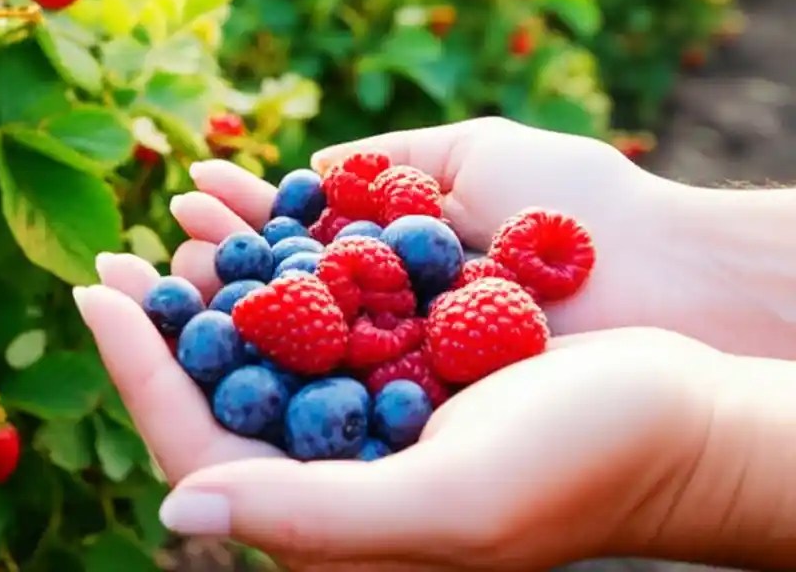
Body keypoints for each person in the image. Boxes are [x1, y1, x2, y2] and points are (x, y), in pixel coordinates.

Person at [72, 118, 796, 571]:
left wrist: (700, 453)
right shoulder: (325, 286)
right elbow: (332, 299)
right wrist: (701, 249)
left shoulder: (405, 298)